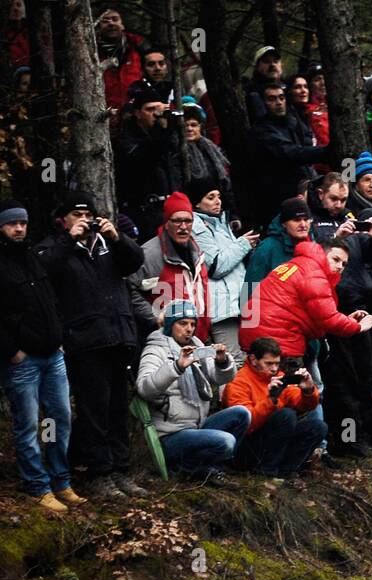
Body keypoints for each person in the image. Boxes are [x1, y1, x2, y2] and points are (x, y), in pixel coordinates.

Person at [35, 191, 148, 500]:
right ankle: (100, 474)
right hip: (84, 341)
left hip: (119, 335)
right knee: (93, 409)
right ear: (63, 220)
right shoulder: (54, 247)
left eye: (88, 215)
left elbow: (135, 261)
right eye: (76, 215)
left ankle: (121, 471)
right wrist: (69, 239)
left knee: (117, 409)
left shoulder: (107, 245)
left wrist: (118, 237)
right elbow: (43, 270)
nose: (84, 220)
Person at [0, 199, 81, 512]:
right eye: (11, 223)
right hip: (23, 361)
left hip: (52, 355)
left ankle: (60, 481)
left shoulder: (32, 256)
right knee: (28, 425)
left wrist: (58, 337)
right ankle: (37, 486)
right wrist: (12, 351)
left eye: (22, 222)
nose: (19, 228)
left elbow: (51, 300)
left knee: (60, 418)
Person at [135, 300, 245, 481]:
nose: (189, 329)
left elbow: (220, 378)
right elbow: (144, 388)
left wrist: (222, 361)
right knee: (226, 442)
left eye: (193, 324)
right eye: (183, 323)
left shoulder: (196, 345)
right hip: (170, 435)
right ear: (170, 325)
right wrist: (176, 367)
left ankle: (210, 468)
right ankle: (184, 470)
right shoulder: (156, 349)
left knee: (241, 414)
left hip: (196, 427)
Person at [244, 236, 372, 360]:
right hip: (278, 343)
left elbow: (316, 316)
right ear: (323, 254)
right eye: (336, 259)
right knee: (298, 383)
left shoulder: (299, 263)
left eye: (344, 264)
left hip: (258, 337)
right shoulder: (314, 274)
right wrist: (358, 326)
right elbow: (328, 319)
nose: (340, 266)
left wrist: (347, 320)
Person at [223, 336, 326, 478]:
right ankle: (265, 473)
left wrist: (308, 391)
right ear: (253, 360)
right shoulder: (238, 383)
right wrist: (271, 399)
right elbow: (247, 424)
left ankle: (286, 472)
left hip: (271, 441)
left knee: (317, 427)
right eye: (269, 363)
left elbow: (303, 405)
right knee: (286, 415)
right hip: (247, 446)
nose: (274, 369)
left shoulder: (279, 376)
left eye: (277, 364)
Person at [188, 178, 259, 363]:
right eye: (210, 197)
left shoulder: (221, 222)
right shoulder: (196, 226)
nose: (217, 201)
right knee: (231, 362)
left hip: (241, 303)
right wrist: (243, 244)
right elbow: (217, 266)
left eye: (218, 196)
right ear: (196, 202)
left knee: (251, 359)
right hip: (223, 309)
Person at [130, 191, 211, 342]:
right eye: (177, 221)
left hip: (197, 338)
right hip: (164, 341)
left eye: (188, 221)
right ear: (166, 223)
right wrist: (155, 316)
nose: (184, 227)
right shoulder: (148, 254)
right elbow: (129, 291)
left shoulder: (198, 252)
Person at [248, 81, 328, 228]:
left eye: (281, 97)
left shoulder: (292, 123)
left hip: (303, 192)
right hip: (279, 201)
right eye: (272, 99)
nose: (278, 102)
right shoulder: (261, 131)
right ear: (262, 103)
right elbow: (291, 153)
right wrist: (327, 152)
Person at [114, 89, 181, 238]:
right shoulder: (126, 139)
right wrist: (161, 130)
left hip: (170, 208)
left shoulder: (170, 137)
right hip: (142, 213)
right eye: (150, 109)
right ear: (137, 113)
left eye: (159, 109)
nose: (155, 114)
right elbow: (144, 161)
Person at [245, 195, 314, 291]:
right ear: (284, 224)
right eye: (296, 220)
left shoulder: (314, 248)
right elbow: (250, 288)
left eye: (306, 219)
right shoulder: (266, 249)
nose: (303, 224)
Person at [180, 98, 235, 212]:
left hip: (216, 206)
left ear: (200, 127)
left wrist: (232, 212)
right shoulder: (175, 152)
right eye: (185, 125)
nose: (189, 129)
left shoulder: (210, 149)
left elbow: (224, 183)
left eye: (193, 125)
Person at [96, 7, 144, 112]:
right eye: (105, 21)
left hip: (136, 115)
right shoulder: (91, 53)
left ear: (122, 24)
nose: (111, 23)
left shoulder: (137, 48)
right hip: (103, 115)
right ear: (98, 25)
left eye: (115, 19)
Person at [308, 172, 357, 244]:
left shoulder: (348, 217)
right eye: (334, 199)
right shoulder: (307, 219)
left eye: (343, 200)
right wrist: (335, 237)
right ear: (320, 194)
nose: (339, 205)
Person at [243, 45, 283, 122]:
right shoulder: (250, 93)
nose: (272, 65)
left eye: (276, 61)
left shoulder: (289, 88)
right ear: (257, 67)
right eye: (266, 61)